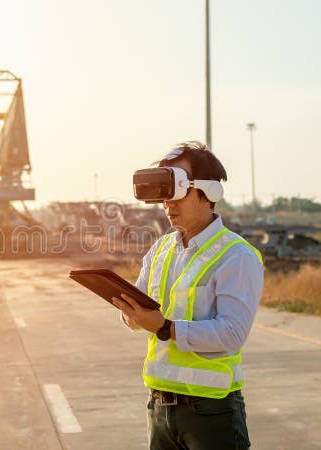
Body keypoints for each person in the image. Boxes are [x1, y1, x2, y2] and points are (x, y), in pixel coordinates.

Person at [112, 141, 264, 450]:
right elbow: (136, 320)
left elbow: (232, 334)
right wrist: (130, 312)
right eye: (164, 192)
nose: (169, 202)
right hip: (159, 408)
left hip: (211, 411)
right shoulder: (161, 249)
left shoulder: (236, 255)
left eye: (177, 189)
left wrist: (165, 327)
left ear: (209, 192)